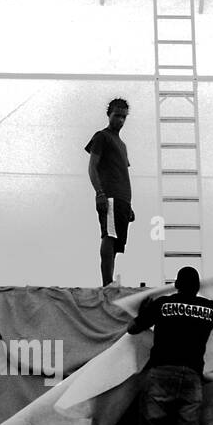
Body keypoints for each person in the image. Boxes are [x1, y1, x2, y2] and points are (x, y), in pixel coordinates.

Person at [127, 266, 213, 425]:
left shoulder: (162, 304)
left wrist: (144, 313)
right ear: (197, 287)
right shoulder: (208, 308)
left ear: (177, 285)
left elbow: (132, 329)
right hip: (191, 377)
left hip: (161, 374)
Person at [85, 98, 135, 287]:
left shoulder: (122, 145)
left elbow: (122, 172)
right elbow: (92, 167)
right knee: (109, 235)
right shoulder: (102, 137)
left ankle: (111, 281)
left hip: (123, 199)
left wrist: (129, 205)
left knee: (116, 242)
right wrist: (99, 193)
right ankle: (107, 283)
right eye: (116, 116)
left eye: (123, 117)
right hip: (110, 196)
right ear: (109, 115)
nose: (120, 120)